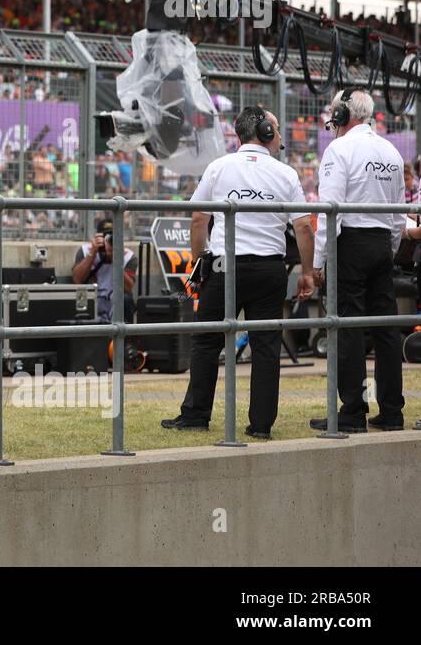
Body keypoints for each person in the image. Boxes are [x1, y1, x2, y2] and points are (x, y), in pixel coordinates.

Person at [161, 107, 314, 438]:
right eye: (276, 129)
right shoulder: (285, 174)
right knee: (266, 346)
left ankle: (195, 415)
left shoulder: (219, 167)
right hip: (269, 268)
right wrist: (308, 271)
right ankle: (260, 425)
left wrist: (199, 259)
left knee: (206, 341)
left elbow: (198, 218)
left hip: (223, 265)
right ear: (266, 132)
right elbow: (303, 227)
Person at [310, 88, 406, 433]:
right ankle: (392, 412)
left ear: (340, 115)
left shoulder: (340, 148)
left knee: (347, 328)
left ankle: (353, 411)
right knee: (387, 330)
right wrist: (389, 248)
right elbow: (399, 212)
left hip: (350, 242)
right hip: (381, 243)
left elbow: (329, 211)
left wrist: (318, 261)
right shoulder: (391, 152)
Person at [72, 216, 137, 324]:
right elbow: (77, 280)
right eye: (105, 237)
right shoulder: (85, 251)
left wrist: (115, 257)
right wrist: (92, 254)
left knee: (127, 299)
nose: (109, 241)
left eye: (112, 237)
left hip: (115, 302)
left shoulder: (128, 256)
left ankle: (126, 339)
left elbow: (128, 287)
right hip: (92, 301)